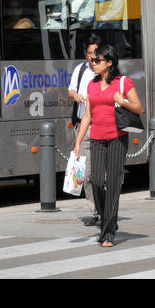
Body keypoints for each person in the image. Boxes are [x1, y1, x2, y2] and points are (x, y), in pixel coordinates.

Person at [72, 46, 144, 248]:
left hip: (116, 138)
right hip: (96, 137)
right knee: (94, 181)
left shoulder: (123, 82)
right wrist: (78, 142)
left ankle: (108, 233)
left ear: (110, 62)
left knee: (112, 184)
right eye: (92, 60)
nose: (93, 63)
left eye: (97, 60)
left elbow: (139, 108)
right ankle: (108, 219)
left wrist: (122, 101)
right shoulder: (92, 85)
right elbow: (87, 116)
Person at [66, 38, 101, 224]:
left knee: (101, 174)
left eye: (95, 54)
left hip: (102, 125)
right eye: (89, 54)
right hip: (84, 125)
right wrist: (76, 96)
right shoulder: (80, 70)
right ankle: (97, 211)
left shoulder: (105, 73)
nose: (92, 58)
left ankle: (107, 208)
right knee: (87, 174)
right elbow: (70, 91)